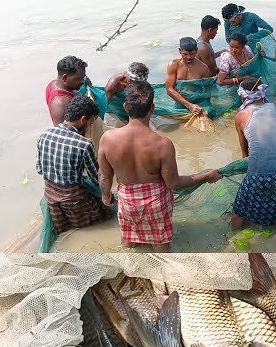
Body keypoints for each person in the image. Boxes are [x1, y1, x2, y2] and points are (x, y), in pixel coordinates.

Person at [98, 81, 221, 250]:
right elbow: (174, 183)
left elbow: (104, 176)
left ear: (125, 107)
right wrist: (205, 176)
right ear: (153, 108)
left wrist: (106, 197)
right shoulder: (163, 144)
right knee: (161, 245)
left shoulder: (108, 139)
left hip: (127, 200)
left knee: (128, 242)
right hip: (156, 203)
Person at [35, 95, 109, 234]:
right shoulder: (84, 144)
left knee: (65, 232)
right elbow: (96, 177)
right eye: (91, 122)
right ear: (83, 120)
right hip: (75, 201)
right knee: (99, 223)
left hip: (51, 198)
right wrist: (107, 195)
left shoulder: (44, 135)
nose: (91, 126)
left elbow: (39, 169)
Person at [231, 78, 276, 229]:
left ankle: (234, 236)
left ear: (243, 96)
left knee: (238, 212)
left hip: (259, 174)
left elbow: (245, 153)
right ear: (262, 93)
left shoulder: (241, 116)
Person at [166, 38, 215, 118]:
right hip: (181, 100)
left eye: (192, 54)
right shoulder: (174, 65)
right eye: (185, 54)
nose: (189, 57)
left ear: (196, 50)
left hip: (199, 100)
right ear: (180, 51)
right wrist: (189, 105)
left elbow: (207, 90)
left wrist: (202, 106)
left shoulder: (203, 68)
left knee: (208, 114)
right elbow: (169, 89)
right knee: (175, 118)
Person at [46, 56, 88, 126]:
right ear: (65, 78)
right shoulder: (60, 104)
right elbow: (62, 133)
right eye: (78, 79)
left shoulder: (52, 83)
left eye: (83, 77)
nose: (83, 81)